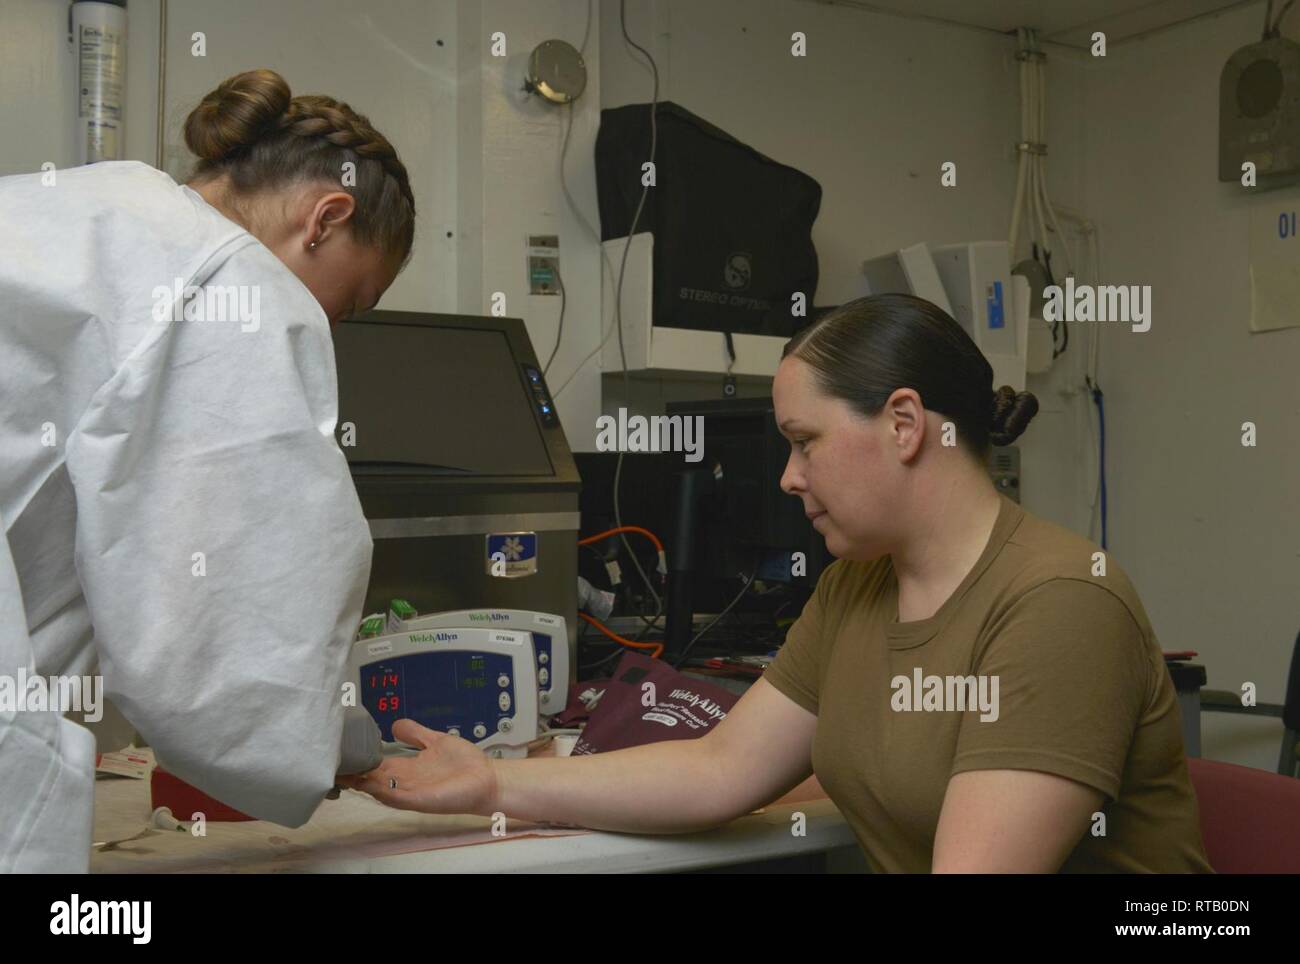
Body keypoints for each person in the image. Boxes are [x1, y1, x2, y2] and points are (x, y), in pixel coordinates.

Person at [341, 294, 1213, 873]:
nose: (790, 478)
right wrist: (495, 786)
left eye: (806, 442)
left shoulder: (1058, 605)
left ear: (905, 425)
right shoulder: (857, 588)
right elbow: (720, 768)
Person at [0, 68, 414, 872]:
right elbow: (223, 638)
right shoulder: (231, 280)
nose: (332, 325)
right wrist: (345, 744)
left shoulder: (80, 207)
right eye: (349, 303)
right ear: (327, 217)